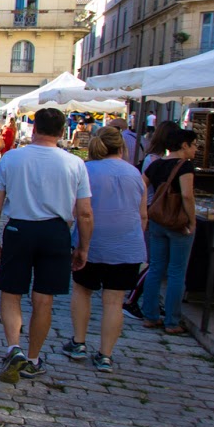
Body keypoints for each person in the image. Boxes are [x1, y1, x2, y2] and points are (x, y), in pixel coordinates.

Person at [0, 107, 92, 383]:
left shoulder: (13, 159)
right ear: (61, 132)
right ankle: (32, 357)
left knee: (11, 292)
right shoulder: (74, 164)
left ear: (34, 129)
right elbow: (85, 212)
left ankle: (13, 347)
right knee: (44, 299)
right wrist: (83, 247)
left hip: (20, 227)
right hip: (56, 231)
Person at [64, 128, 146, 371]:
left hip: (91, 241)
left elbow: (77, 210)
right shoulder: (135, 173)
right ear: (122, 147)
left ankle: (78, 342)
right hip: (126, 244)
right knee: (114, 301)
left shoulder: (87, 171)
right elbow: (143, 216)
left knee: (82, 291)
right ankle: (105, 354)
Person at [142, 127, 198, 334]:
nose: (195, 149)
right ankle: (172, 321)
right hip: (177, 222)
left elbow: (141, 186)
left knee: (155, 267)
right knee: (176, 271)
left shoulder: (156, 164)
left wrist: (145, 211)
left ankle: (150, 315)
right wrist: (192, 221)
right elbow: (187, 196)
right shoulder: (185, 167)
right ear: (184, 145)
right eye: (194, 145)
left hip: (157, 220)